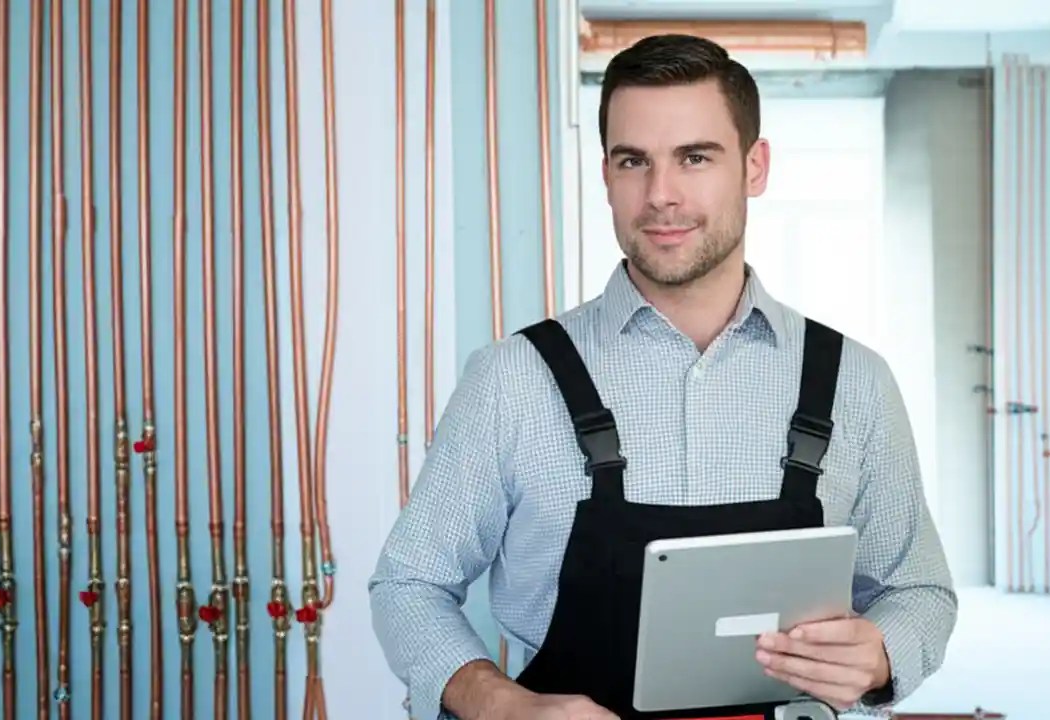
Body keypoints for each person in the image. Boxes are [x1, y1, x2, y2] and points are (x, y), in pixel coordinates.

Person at [369, 33, 956, 720]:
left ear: (755, 166)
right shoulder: (512, 379)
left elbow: (919, 591)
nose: (661, 195)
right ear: (606, 175)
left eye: (694, 157)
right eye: (633, 161)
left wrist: (882, 652)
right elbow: (409, 583)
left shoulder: (855, 382)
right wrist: (498, 703)